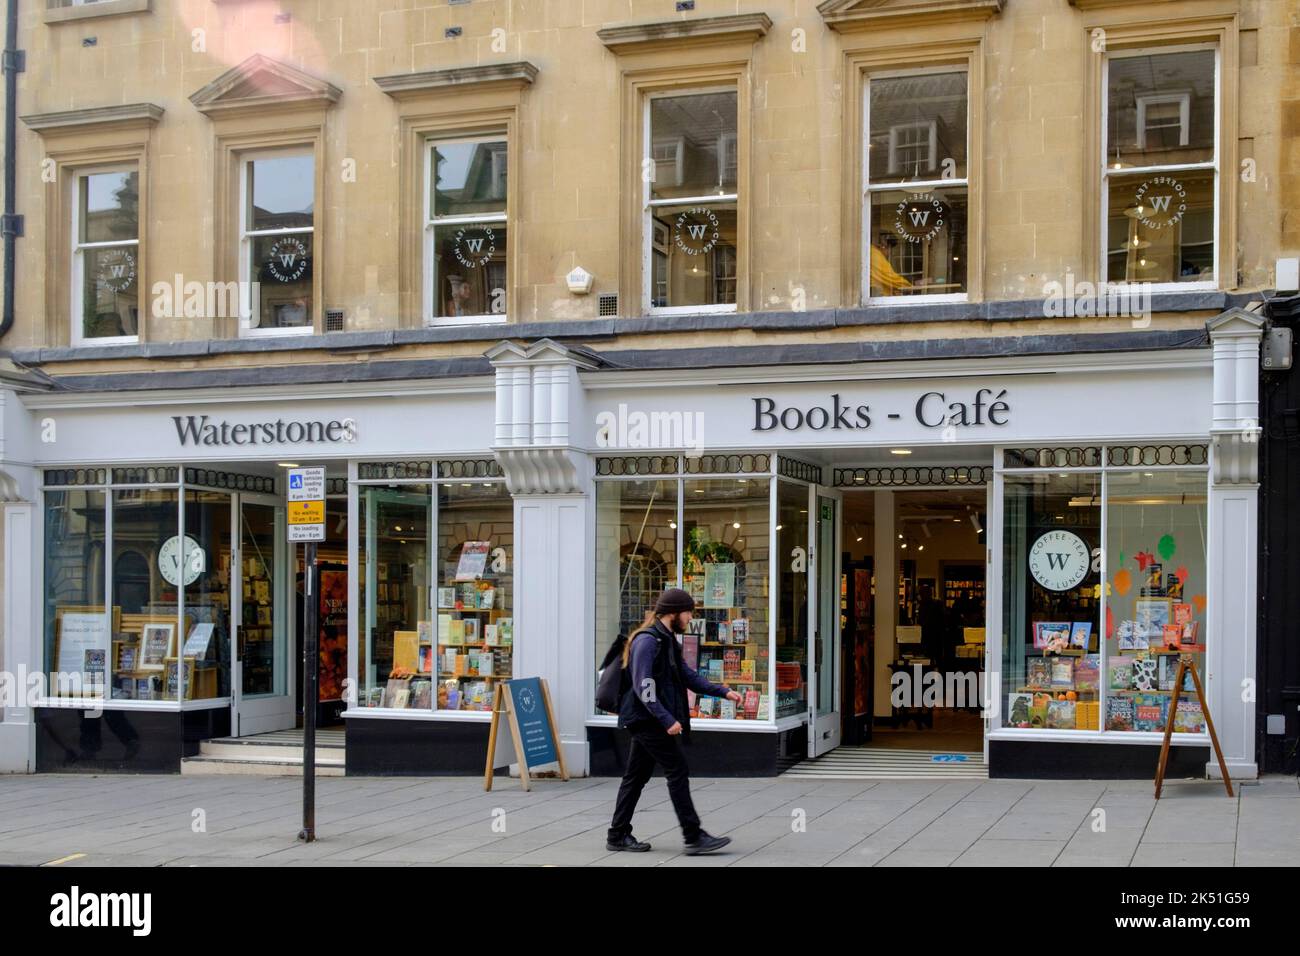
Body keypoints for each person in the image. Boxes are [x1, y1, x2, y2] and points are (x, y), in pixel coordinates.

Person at [607, 587, 741, 855]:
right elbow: (643, 686)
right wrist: (667, 719)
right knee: (677, 770)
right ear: (674, 613)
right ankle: (693, 836)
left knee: (635, 777)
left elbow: (688, 676)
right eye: (688, 612)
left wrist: (723, 691)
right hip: (647, 720)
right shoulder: (648, 641)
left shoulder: (667, 640)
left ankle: (617, 834)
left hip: (650, 719)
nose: (690, 617)